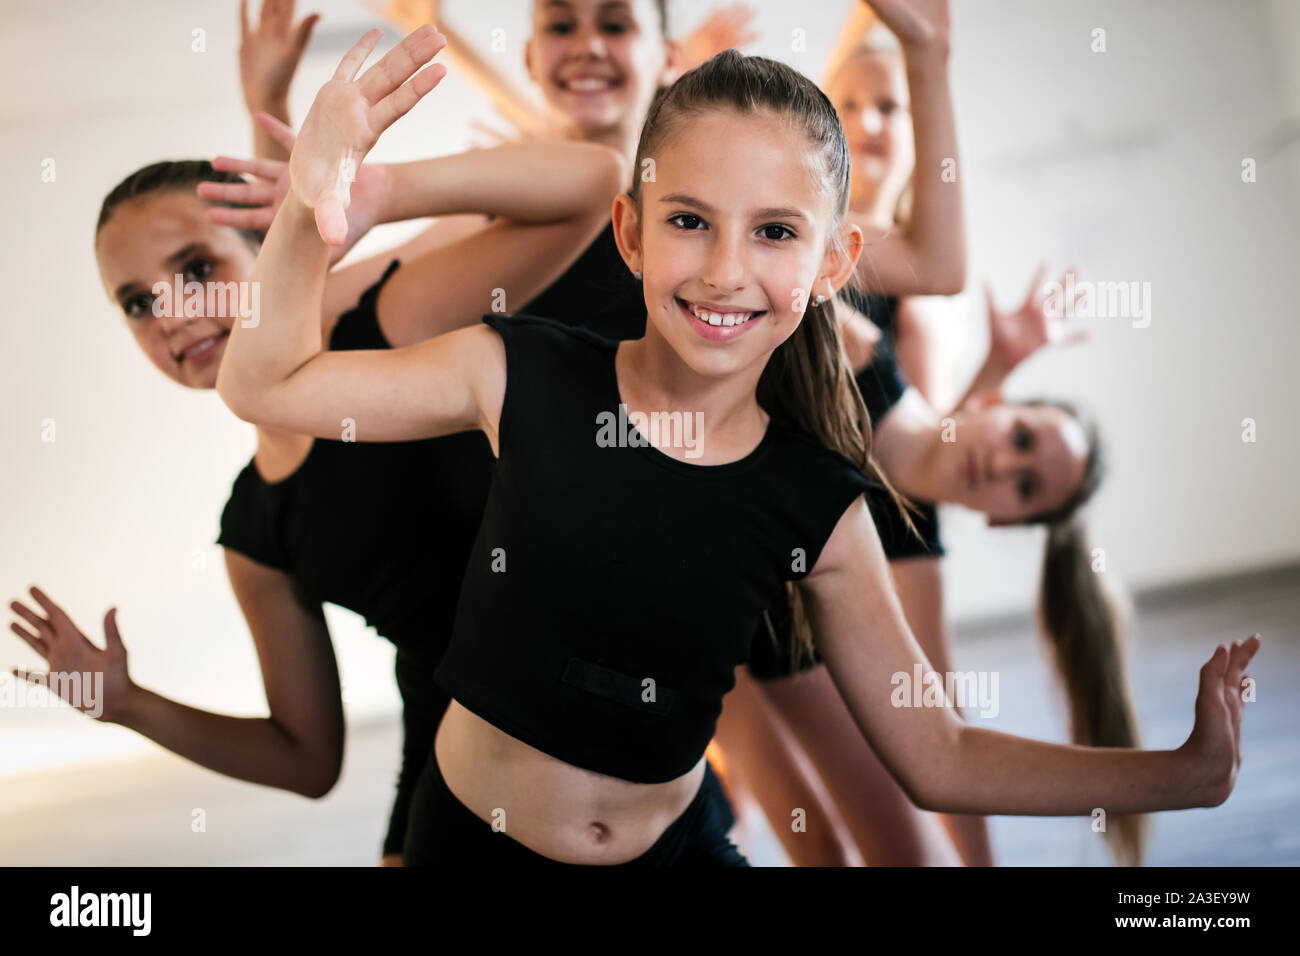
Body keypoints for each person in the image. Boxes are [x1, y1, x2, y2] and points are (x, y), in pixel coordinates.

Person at [216, 26, 1258, 867]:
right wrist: (314, 198)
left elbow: (936, 756)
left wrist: (1181, 769)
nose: (723, 270)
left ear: (833, 259)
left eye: (772, 231)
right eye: (687, 221)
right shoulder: (511, 371)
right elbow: (265, 382)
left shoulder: (819, 500)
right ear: (628, 232)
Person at [8, 81, 624, 864]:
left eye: (195, 268)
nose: (168, 315)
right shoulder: (254, 530)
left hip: (617, 745)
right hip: (451, 784)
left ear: (267, 250)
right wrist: (125, 705)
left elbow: (594, 185)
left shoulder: (393, 327)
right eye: (136, 303)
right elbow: (306, 758)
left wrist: (386, 190)